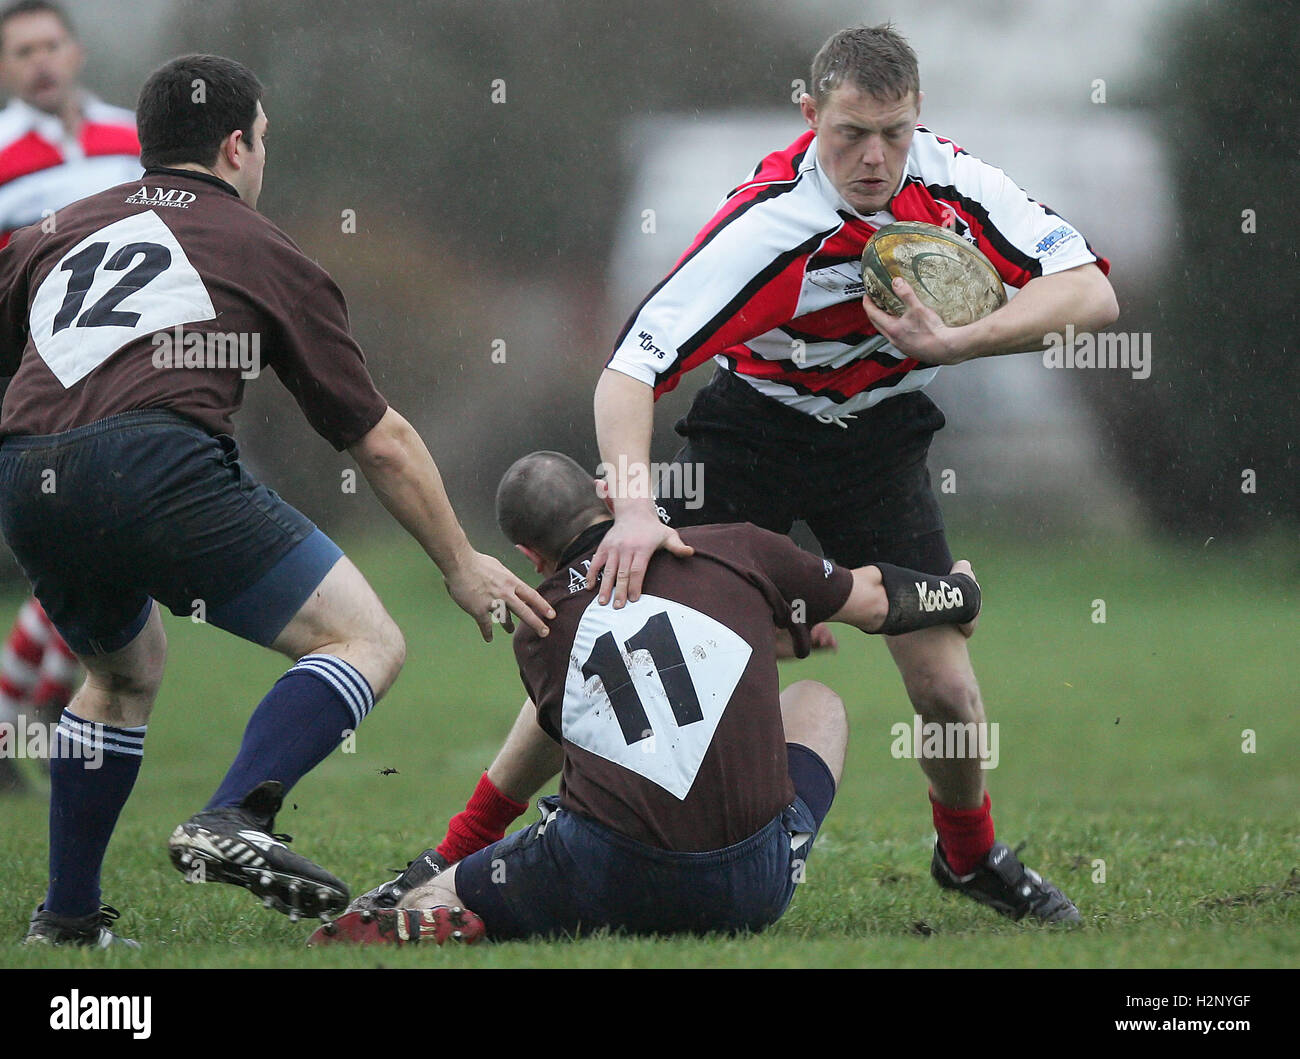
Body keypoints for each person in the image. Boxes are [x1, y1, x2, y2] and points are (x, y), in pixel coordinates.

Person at [0, 54, 553, 949]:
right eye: (265, 141)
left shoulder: (54, 228)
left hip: (29, 472)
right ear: (235, 146)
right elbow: (379, 438)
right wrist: (459, 563)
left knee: (119, 672)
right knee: (366, 638)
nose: (265, 159)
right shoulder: (264, 248)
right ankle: (234, 813)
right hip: (155, 461)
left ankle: (65, 926)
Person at [584, 23, 1115, 923]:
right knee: (622, 626)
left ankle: (971, 854)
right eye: (849, 134)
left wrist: (963, 339)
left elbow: (1092, 292)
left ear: (918, 121)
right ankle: (466, 841)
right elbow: (628, 369)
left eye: (894, 133)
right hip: (748, 434)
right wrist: (636, 511)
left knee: (945, 685)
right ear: (809, 115)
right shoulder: (767, 225)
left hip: (878, 444)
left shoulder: (955, 187)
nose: (874, 158)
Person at [308, 450, 989, 946]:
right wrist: (960, 591)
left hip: (606, 873)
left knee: (449, 890)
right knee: (819, 701)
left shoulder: (539, 627)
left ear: (528, 554)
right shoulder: (737, 549)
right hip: (752, 887)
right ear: (610, 496)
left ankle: (433, 908)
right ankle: (786, 842)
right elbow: (875, 600)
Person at [0, 0, 141, 793]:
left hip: (126, 376)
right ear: (4, 68)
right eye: (22, 51)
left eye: (51, 45)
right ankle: (34, 701)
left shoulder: (133, 138)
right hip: (32, 384)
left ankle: (42, 698)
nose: (41, 61)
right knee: (73, 549)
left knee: (117, 545)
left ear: (76, 51)